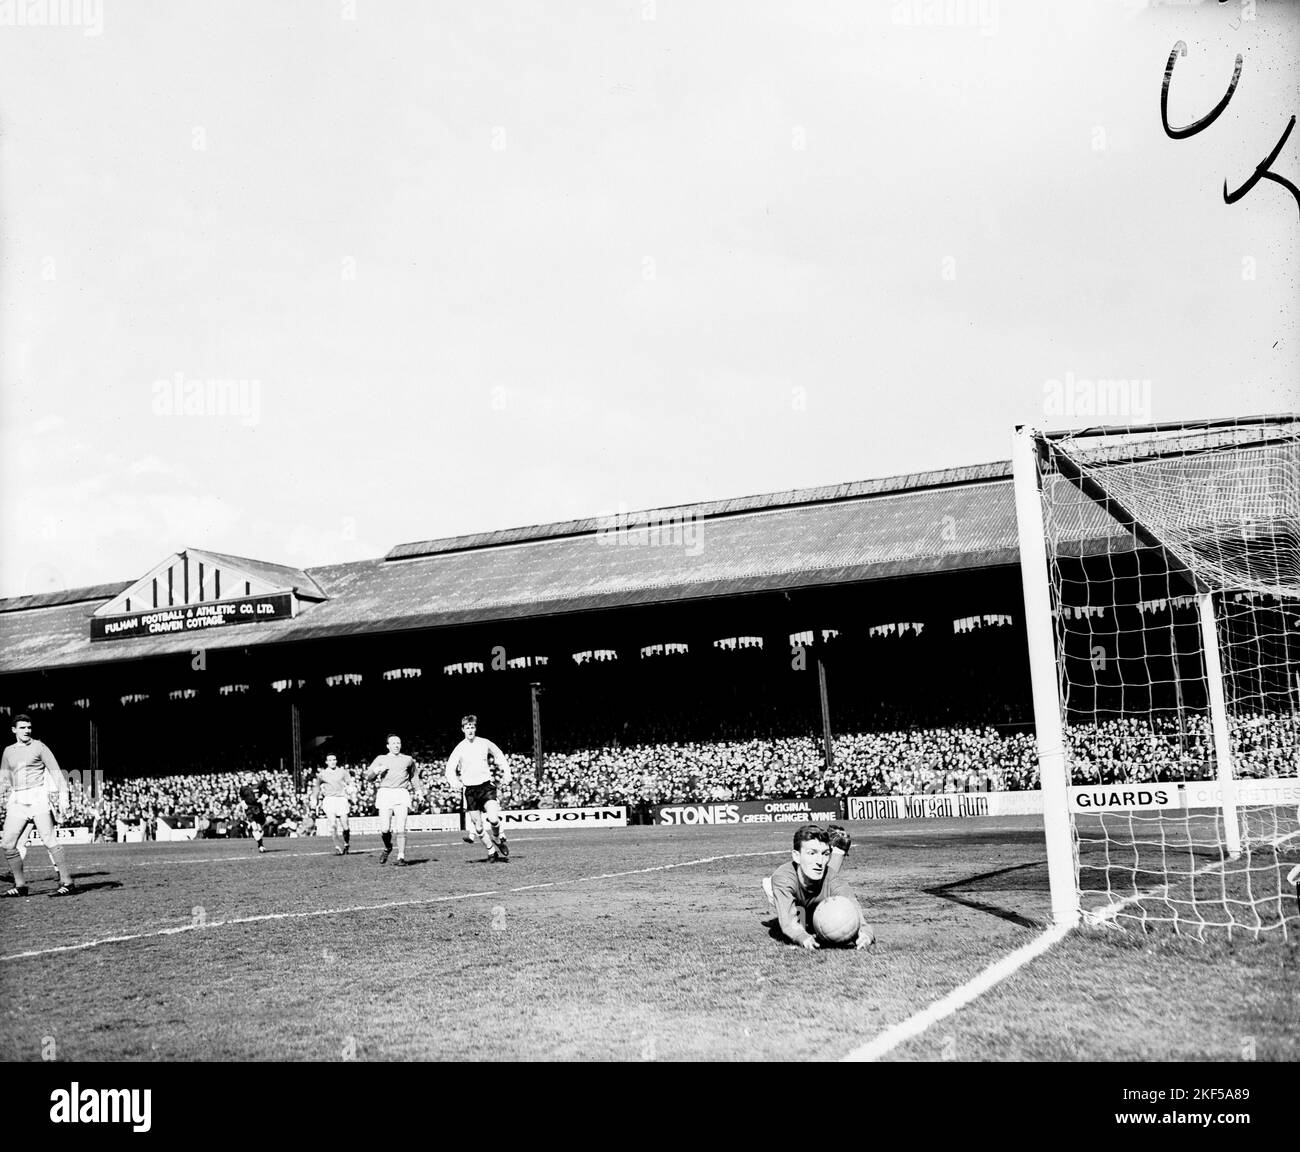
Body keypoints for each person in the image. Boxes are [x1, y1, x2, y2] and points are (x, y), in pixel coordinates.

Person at [761, 824, 873, 950]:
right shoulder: (784, 879)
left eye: (825, 854)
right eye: (812, 853)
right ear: (796, 856)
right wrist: (803, 937)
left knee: (824, 875)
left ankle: (837, 851)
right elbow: (788, 923)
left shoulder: (835, 880)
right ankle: (838, 851)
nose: (819, 861)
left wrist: (865, 934)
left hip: (817, 897)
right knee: (800, 919)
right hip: (793, 895)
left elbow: (857, 914)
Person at [0, 715, 76, 898]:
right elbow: (4, 777)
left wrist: (64, 797)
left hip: (37, 797)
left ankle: (67, 882)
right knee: (8, 844)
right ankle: (20, 886)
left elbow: (55, 771)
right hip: (18, 799)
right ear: (14, 730)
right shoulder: (8, 751)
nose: (27, 730)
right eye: (23, 727)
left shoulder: (39, 746)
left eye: (29, 727)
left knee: (49, 840)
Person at [445, 715, 512, 862]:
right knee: (479, 827)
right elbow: (450, 768)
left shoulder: (484, 743)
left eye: (472, 727)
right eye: (467, 727)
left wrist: (506, 773)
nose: (470, 730)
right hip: (470, 790)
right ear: (463, 729)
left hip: (486, 786)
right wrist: (455, 782)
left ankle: (498, 838)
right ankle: (491, 850)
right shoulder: (459, 748)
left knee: (493, 819)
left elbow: (499, 755)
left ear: (475, 728)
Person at [365, 734, 417, 866]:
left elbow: (414, 776)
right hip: (385, 793)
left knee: (401, 826)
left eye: (398, 742)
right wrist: (377, 771)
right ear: (388, 746)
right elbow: (368, 777)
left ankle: (401, 856)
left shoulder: (408, 759)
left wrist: (419, 791)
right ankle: (388, 847)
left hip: (401, 793)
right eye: (393, 743)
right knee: (385, 828)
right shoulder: (381, 758)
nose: (396, 745)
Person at [311, 754, 354, 855]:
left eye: (334, 760)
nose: (332, 762)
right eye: (330, 760)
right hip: (329, 799)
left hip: (341, 799)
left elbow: (350, 783)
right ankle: (338, 846)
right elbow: (316, 787)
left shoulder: (343, 772)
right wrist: (314, 798)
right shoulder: (322, 774)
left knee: (345, 826)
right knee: (333, 824)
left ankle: (346, 843)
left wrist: (351, 789)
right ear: (326, 762)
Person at [238, 777, 269, 854]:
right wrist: (243, 803)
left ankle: (260, 844)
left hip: (258, 808)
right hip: (249, 808)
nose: (249, 778)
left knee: (260, 828)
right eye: (247, 777)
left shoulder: (258, 784)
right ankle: (260, 846)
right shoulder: (243, 787)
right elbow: (241, 797)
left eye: (250, 776)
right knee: (254, 827)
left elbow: (266, 793)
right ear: (245, 778)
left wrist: (263, 798)